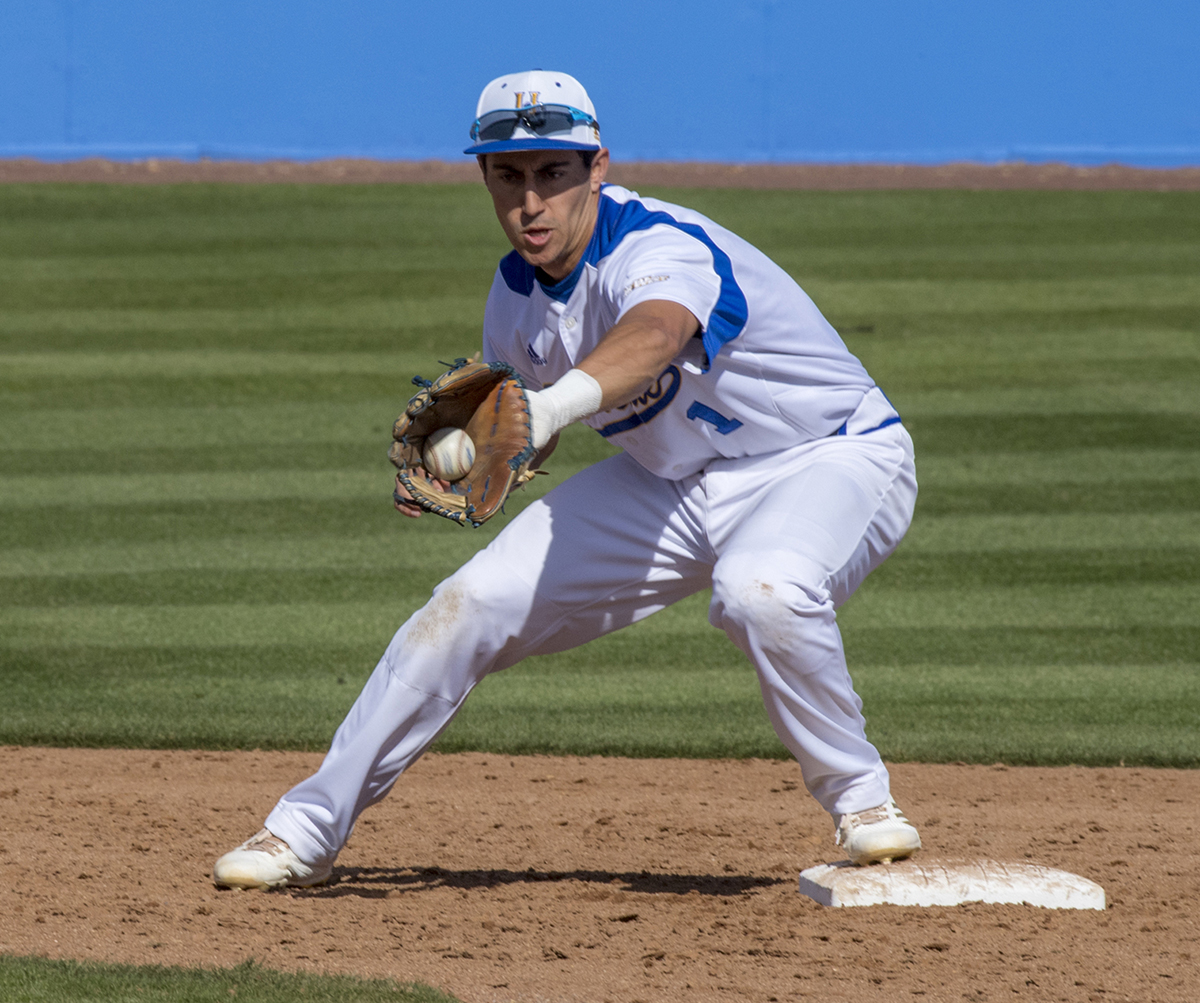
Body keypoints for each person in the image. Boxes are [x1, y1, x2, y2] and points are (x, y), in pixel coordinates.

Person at [213, 70, 921, 890]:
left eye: (554, 171)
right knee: (467, 605)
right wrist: (483, 457)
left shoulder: (658, 246)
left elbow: (654, 334)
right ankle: (302, 830)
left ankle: (864, 802)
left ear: (598, 167)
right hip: (671, 487)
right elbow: (522, 433)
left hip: (828, 456)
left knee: (761, 588)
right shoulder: (512, 298)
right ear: (484, 179)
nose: (531, 201)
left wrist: (547, 409)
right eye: (508, 176)